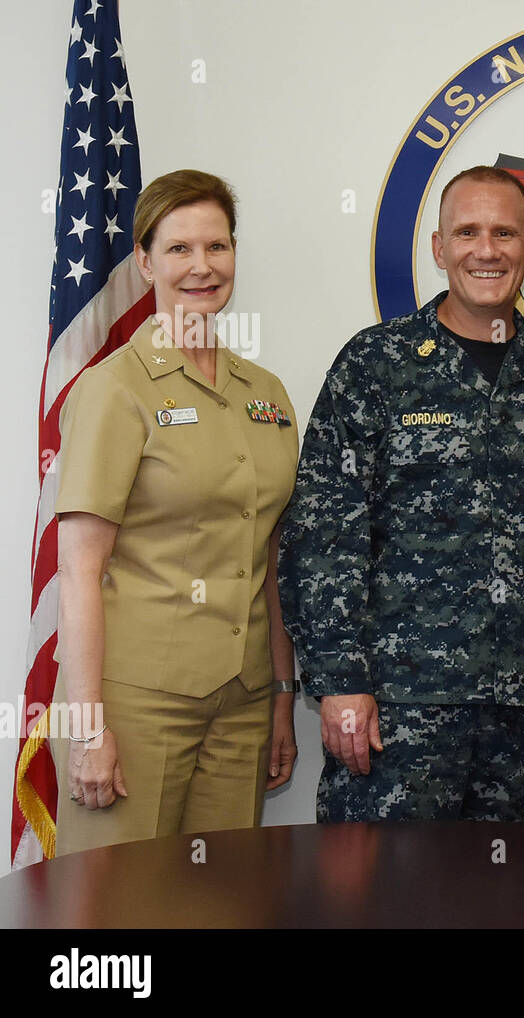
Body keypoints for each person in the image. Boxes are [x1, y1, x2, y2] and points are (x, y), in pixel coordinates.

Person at [279, 166, 524, 824]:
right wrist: (340, 681)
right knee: (378, 901)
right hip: (398, 709)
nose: (488, 250)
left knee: (495, 902)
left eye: (506, 233)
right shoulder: (377, 364)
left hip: (517, 709)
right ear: (439, 248)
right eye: (468, 232)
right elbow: (323, 533)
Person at [54, 169, 299, 855]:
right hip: (138, 703)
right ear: (144, 261)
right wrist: (89, 728)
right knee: (121, 909)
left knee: (222, 902)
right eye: (180, 249)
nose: (202, 267)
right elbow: (78, 571)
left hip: (242, 699)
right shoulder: (114, 389)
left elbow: (274, 560)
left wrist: (282, 691)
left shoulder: (267, 393)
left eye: (217, 247)